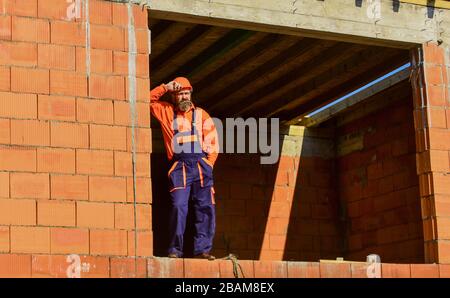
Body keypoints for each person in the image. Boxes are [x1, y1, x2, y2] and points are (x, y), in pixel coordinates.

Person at [150, 77, 219, 260]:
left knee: (205, 208)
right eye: (180, 93)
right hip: (180, 166)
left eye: (187, 93)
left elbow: (212, 142)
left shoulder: (201, 114)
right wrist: (165, 87)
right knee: (178, 206)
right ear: (174, 96)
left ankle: (202, 250)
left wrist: (208, 164)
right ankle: (175, 250)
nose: (184, 96)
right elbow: (146, 100)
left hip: (201, 165)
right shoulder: (165, 111)